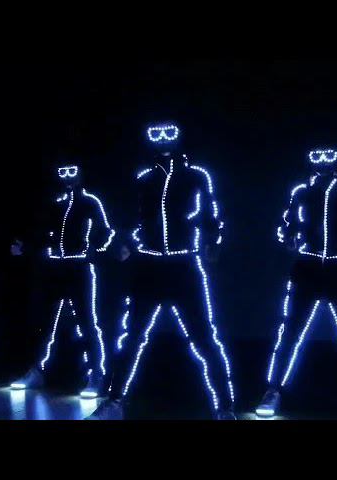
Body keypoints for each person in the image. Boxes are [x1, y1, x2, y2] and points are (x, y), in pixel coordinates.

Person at [88, 122, 235, 420]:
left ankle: (224, 407)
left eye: (169, 133)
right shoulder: (144, 179)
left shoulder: (196, 177)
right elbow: (132, 217)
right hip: (149, 265)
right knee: (132, 336)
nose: (163, 139)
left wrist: (213, 242)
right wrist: (125, 242)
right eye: (156, 134)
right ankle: (115, 401)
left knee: (204, 337)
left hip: (183, 264)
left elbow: (210, 213)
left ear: (181, 137)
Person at [255, 148, 337, 420]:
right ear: (310, 160)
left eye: (328, 156)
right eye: (317, 156)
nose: (323, 161)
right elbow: (288, 221)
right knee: (291, 330)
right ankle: (273, 390)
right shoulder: (302, 192)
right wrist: (288, 237)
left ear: (336, 160)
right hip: (308, 266)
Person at [9, 165, 114, 398]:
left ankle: (96, 375)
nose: (66, 176)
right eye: (62, 171)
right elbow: (42, 233)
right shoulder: (54, 204)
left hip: (79, 268)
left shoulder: (90, 202)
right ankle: (36, 370)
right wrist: (29, 247)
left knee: (87, 322)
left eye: (71, 171)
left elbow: (105, 231)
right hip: (55, 268)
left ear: (80, 173)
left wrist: (93, 249)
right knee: (45, 321)